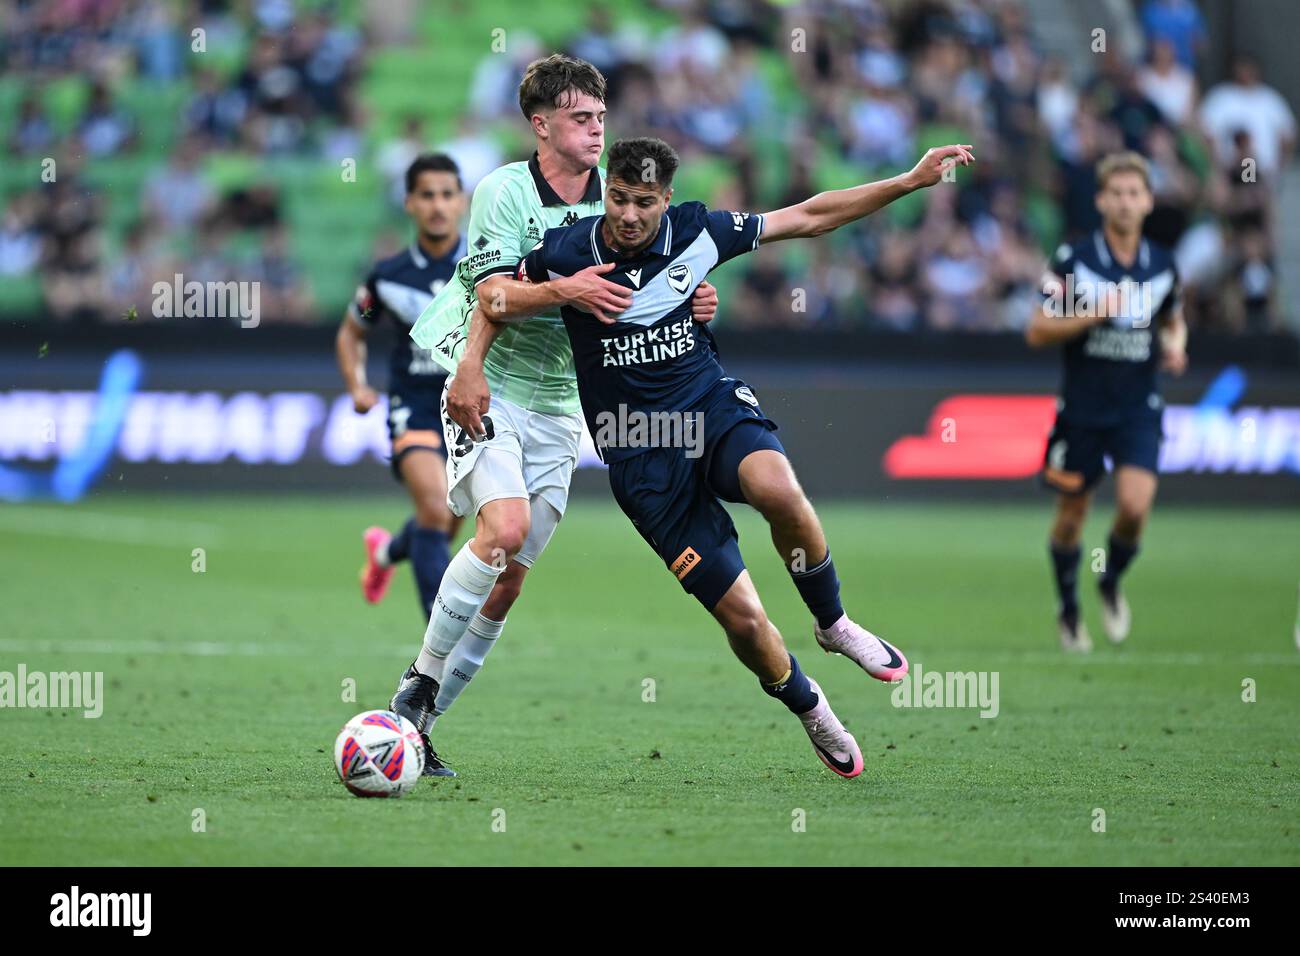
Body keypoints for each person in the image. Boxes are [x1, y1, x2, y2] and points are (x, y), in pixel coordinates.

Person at [462, 136, 973, 776]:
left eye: (643, 202)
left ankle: (834, 621)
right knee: (745, 620)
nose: (628, 215)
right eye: (618, 198)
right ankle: (809, 705)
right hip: (638, 450)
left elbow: (808, 217)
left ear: (666, 200)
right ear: (605, 193)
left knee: (780, 490)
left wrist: (908, 180)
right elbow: (495, 300)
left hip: (708, 405)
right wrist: (543, 310)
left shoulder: (699, 230)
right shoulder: (567, 251)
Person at [396, 55, 718, 776]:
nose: (597, 127)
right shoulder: (505, 191)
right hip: (492, 385)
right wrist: (478, 364)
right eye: (580, 117)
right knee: (501, 528)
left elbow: (660, 274)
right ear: (541, 126)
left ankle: (416, 725)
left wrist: (694, 300)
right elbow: (495, 296)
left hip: (564, 402)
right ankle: (415, 687)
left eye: (601, 115)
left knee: (509, 576)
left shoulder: (626, 194)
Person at [1026, 151, 1188, 651]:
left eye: (1133, 193)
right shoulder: (1073, 259)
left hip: (1139, 407)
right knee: (1072, 515)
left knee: (1135, 508)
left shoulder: (1162, 264)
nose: (1124, 202)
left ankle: (1111, 581)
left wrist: (1178, 344)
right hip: (1083, 409)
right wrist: (1091, 315)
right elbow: (1036, 329)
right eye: (1115, 193)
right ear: (1100, 200)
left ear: (1148, 201)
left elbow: (1173, 318)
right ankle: (1070, 608)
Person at [337, 154, 466, 623]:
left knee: (447, 518)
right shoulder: (387, 277)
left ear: (462, 201)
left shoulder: (488, 266)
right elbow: (351, 332)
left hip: (470, 411)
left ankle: (386, 553)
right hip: (411, 407)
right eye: (427, 195)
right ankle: (442, 633)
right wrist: (358, 385)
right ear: (410, 203)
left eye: (447, 195)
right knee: (434, 507)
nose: (437, 205)